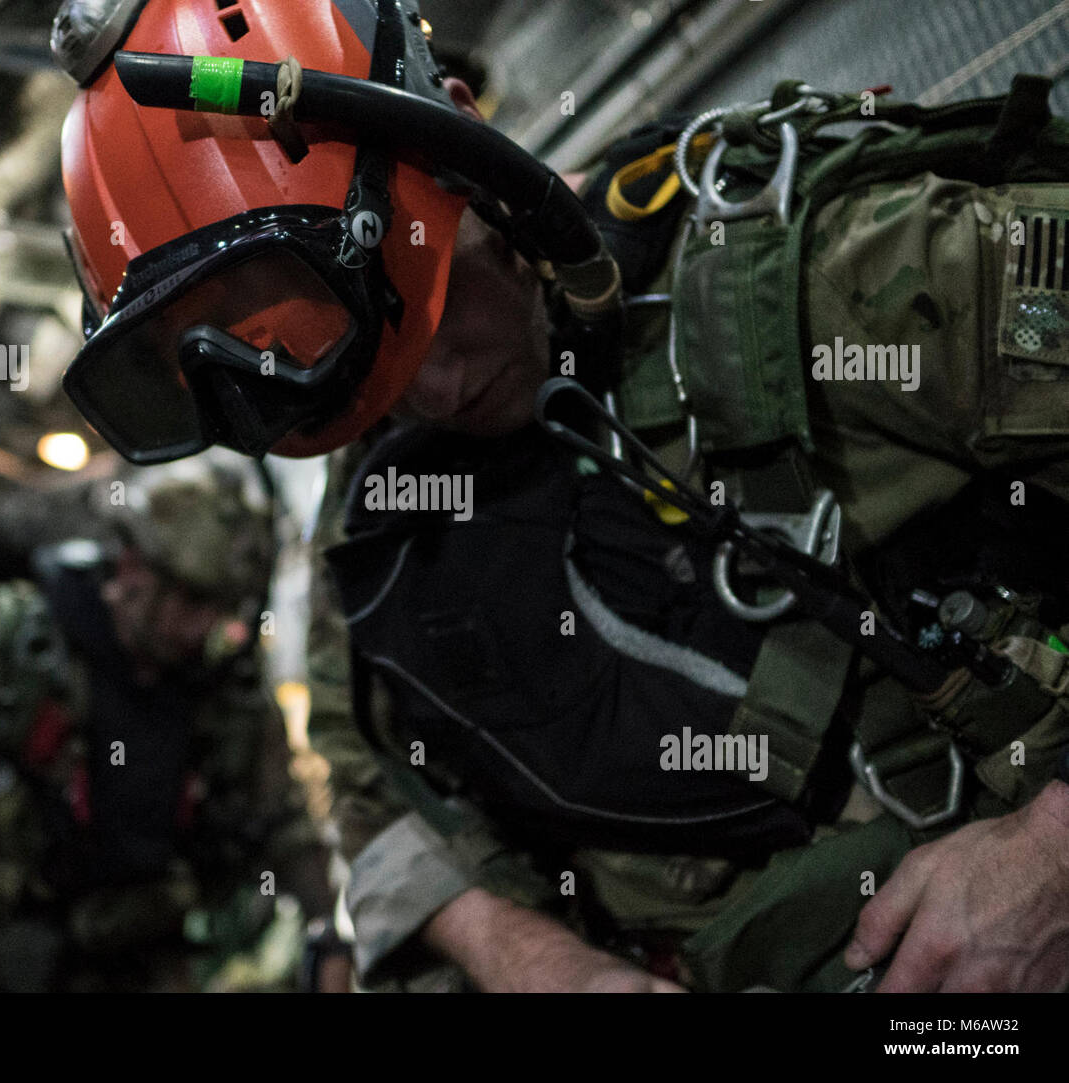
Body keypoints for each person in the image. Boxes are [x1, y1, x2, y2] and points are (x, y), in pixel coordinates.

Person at [53, 0, 1069, 992]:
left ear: (459, 130)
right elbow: (366, 786)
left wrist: (1048, 861)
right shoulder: (381, 504)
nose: (437, 392)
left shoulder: (831, 281)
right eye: (368, 377)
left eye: (439, 312)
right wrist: (541, 962)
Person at [0, 463, 342, 992]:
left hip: (139, 961)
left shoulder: (226, 694)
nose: (203, 627)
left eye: (219, 608)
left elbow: (285, 828)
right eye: (191, 601)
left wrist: (334, 937)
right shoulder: (11, 656)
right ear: (132, 569)